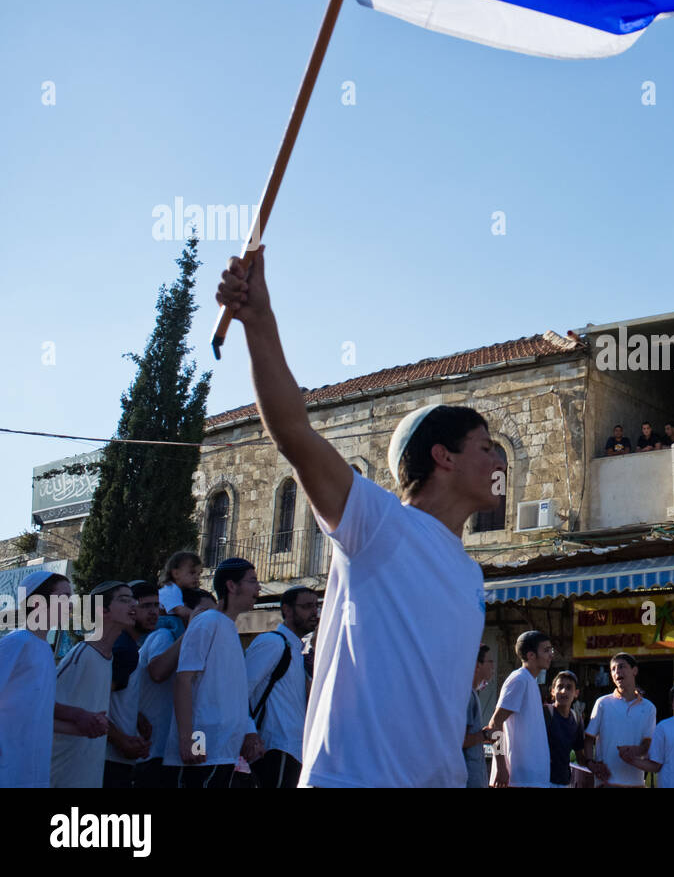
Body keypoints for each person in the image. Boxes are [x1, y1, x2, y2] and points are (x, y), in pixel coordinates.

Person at [217, 250, 495, 788]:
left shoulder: (470, 574)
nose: (499, 461)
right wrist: (259, 319)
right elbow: (295, 433)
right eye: (486, 447)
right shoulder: (379, 524)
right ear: (444, 456)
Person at [0, 572, 106, 787]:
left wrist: (84, 727)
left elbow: (38, 715)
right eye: (64, 596)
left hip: (31, 767)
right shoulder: (18, 642)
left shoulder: (45, 651)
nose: (70, 604)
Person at [165, 558, 265, 788]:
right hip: (201, 751)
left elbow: (234, 693)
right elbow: (184, 680)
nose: (258, 588)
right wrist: (188, 739)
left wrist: (249, 732)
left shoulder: (229, 628)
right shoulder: (206, 622)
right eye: (252, 581)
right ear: (231, 586)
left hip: (225, 752)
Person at [50, 581, 136, 788]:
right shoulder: (82, 655)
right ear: (102, 610)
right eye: (124, 600)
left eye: (134, 599)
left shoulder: (108, 657)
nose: (134, 605)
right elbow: (42, 707)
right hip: (61, 773)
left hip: (88, 771)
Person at [135, 587, 215, 788]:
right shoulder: (164, 636)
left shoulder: (203, 650)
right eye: (204, 614)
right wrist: (191, 631)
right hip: (155, 753)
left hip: (183, 753)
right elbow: (158, 672)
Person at [245, 586, 317, 789]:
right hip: (275, 747)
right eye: (306, 606)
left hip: (294, 750)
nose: (314, 612)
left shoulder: (297, 650)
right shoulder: (272, 643)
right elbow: (241, 690)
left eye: (316, 606)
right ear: (286, 609)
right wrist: (248, 732)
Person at [104, 581, 160, 788]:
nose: (154, 612)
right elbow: (93, 702)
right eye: (145, 606)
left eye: (156, 605)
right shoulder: (123, 650)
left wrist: (135, 715)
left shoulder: (128, 646)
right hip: (108, 759)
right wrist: (122, 741)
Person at [487, 631, 554, 788]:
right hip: (518, 778)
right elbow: (495, 724)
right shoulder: (519, 679)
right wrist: (502, 767)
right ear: (531, 655)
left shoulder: (530, 680)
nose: (551, 655)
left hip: (533, 778)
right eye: (546, 650)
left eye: (551, 650)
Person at [586, 653, 657, 787]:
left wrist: (635, 751)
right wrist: (591, 763)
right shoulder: (602, 703)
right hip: (606, 783)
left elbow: (648, 745)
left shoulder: (649, 708)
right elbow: (589, 739)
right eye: (613, 669)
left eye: (621, 667)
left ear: (634, 671)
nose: (617, 672)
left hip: (635, 783)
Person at [544, 670, 586, 787]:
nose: (564, 691)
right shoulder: (544, 713)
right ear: (553, 691)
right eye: (560, 687)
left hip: (564, 781)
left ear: (576, 693)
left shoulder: (577, 719)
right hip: (541, 780)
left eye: (569, 688)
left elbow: (580, 756)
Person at [464, 644, 494, 788]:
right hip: (469, 779)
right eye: (490, 661)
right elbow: (461, 740)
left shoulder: (472, 694)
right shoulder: (467, 697)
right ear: (477, 665)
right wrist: (486, 734)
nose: (493, 666)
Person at [156, 551, 202, 642]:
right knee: (176, 623)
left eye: (198, 574)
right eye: (192, 573)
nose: (196, 577)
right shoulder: (171, 590)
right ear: (176, 573)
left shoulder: (179, 591)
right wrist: (200, 614)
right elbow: (181, 611)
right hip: (159, 622)